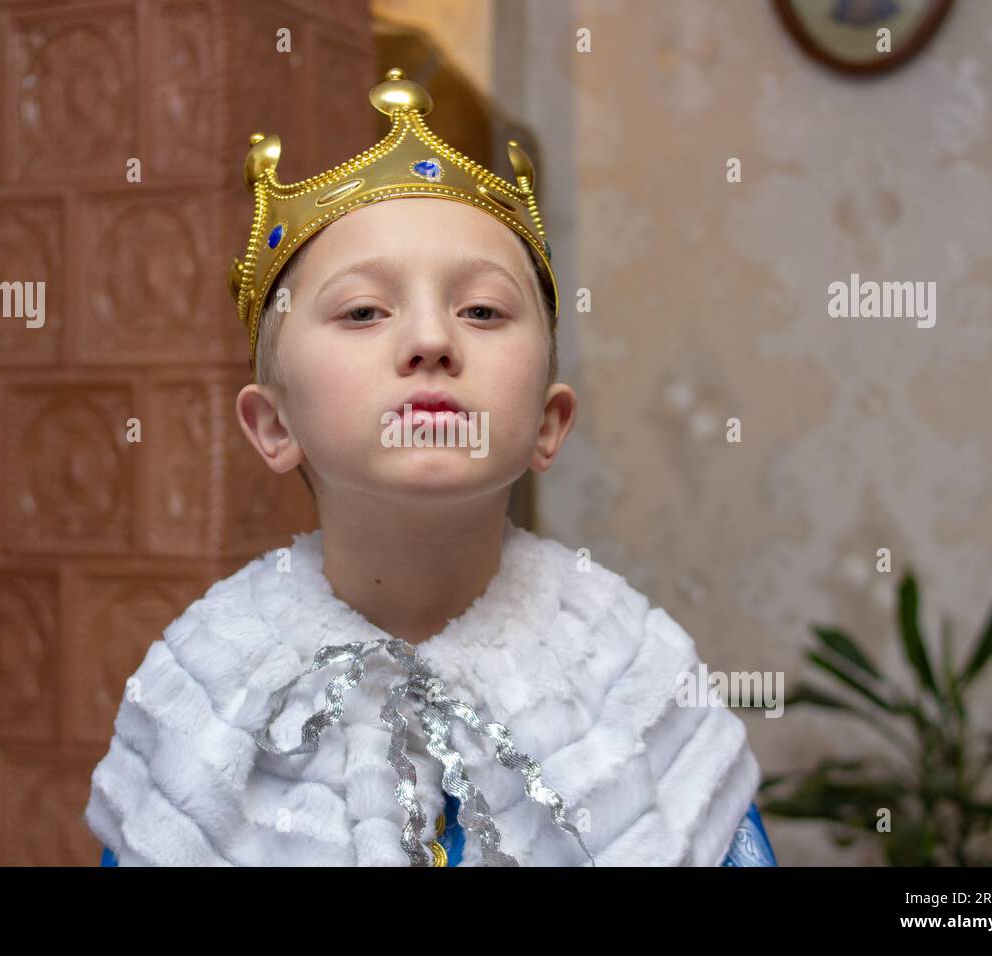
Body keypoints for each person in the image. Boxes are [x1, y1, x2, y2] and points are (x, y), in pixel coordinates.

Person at [85, 68, 776, 867]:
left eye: (481, 310)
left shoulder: (636, 683)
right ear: (274, 425)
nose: (431, 340)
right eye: (363, 311)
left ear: (549, 424)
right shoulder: (205, 695)